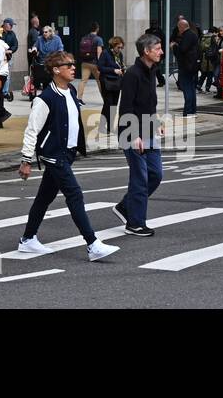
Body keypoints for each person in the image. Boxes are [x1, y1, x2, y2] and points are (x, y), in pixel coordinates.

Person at [17, 51, 121, 262]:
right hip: (55, 155)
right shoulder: (45, 99)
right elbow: (31, 130)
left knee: (44, 198)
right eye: (69, 65)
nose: (74, 67)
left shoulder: (71, 90)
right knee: (75, 194)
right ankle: (92, 244)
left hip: (68, 153)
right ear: (56, 70)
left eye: (73, 64)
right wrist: (26, 160)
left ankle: (27, 240)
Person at [115, 33, 164, 237]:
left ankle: (126, 206)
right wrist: (133, 135)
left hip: (149, 127)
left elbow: (149, 102)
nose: (161, 51)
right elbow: (126, 106)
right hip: (132, 132)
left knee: (156, 174)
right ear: (146, 51)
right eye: (157, 48)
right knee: (140, 177)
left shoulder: (152, 71)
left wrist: (157, 121)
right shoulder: (133, 74)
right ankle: (135, 223)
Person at [96, 36, 125, 134]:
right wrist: (113, 70)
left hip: (116, 82)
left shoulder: (119, 55)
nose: (120, 49)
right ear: (113, 46)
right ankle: (101, 126)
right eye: (118, 47)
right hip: (106, 81)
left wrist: (122, 69)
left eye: (121, 47)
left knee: (114, 105)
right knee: (108, 104)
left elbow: (120, 65)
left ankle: (110, 127)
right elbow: (100, 67)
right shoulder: (105, 53)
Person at [174, 16, 200, 117]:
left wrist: (175, 47)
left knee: (187, 88)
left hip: (187, 66)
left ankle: (189, 111)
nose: (178, 30)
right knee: (191, 88)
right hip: (191, 65)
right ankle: (192, 111)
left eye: (178, 28)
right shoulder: (192, 34)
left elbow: (182, 50)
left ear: (181, 27)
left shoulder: (187, 35)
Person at [27, 25, 64, 97]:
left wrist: (58, 55)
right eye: (43, 32)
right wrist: (34, 49)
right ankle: (42, 91)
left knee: (51, 78)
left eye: (46, 32)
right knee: (40, 76)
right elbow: (35, 46)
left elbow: (60, 48)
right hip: (41, 62)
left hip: (52, 61)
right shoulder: (40, 39)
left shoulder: (57, 39)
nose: (44, 33)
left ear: (50, 32)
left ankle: (51, 92)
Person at [77, 22, 104, 101]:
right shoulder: (98, 39)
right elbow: (99, 52)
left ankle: (79, 99)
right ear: (97, 29)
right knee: (99, 81)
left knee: (83, 81)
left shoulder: (84, 38)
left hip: (85, 62)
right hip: (95, 63)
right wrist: (100, 64)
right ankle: (104, 99)